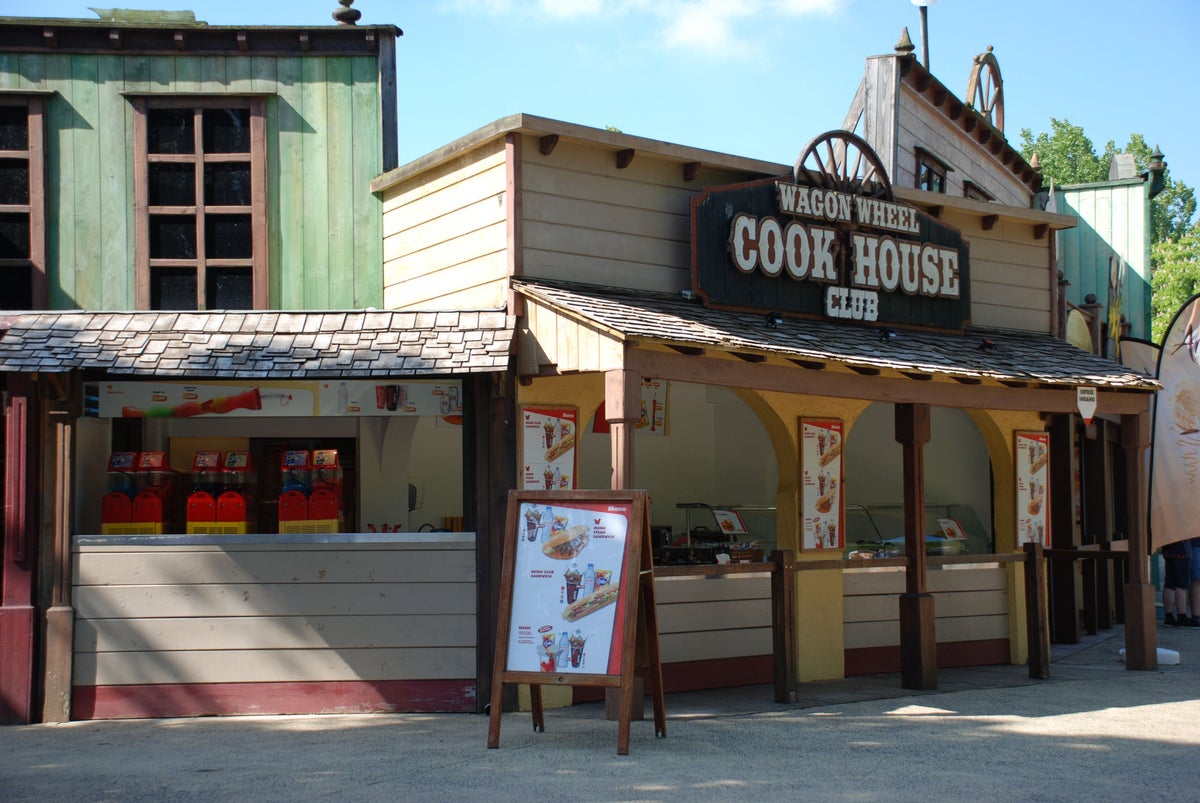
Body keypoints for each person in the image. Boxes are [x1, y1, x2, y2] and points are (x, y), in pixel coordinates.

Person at [1161, 539, 1191, 626]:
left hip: (1167, 548)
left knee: (1168, 584)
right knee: (1181, 585)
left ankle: (1168, 616)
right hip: (1182, 550)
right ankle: (1181, 617)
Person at [1189, 537, 1200, 627]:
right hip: (1196, 542)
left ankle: (1196, 616)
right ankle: (1196, 616)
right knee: (1197, 579)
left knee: (1197, 580)